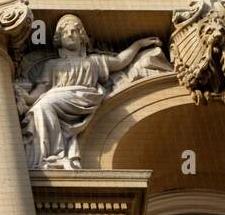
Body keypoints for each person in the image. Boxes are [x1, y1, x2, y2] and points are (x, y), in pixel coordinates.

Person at [20, 15, 163, 169]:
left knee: (44, 105)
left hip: (85, 96)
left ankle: (56, 153)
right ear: (59, 39)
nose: (69, 35)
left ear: (82, 37)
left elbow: (120, 61)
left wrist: (138, 44)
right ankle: (51, 154)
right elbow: (41, 90)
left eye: (74, 31)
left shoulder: (93, 61)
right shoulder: (51, 64)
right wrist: (26, 98)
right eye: (65, 33)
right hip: (57, 98)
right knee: (40, 107)